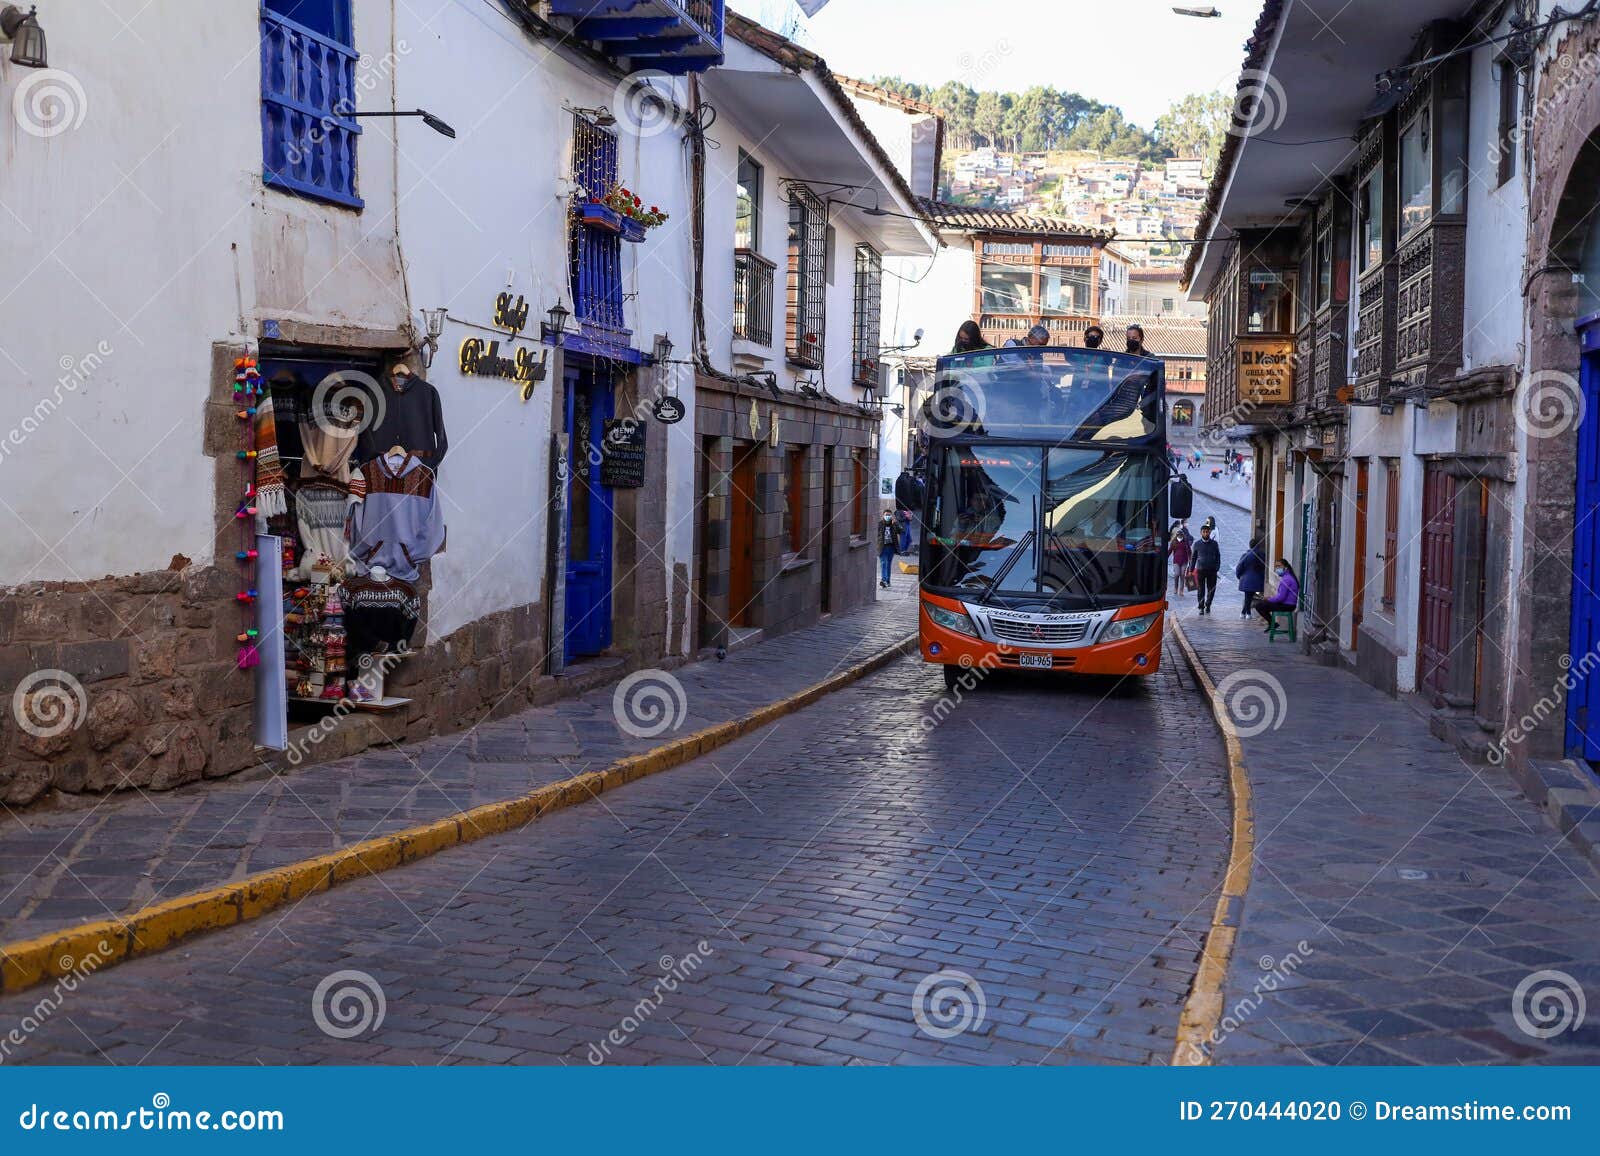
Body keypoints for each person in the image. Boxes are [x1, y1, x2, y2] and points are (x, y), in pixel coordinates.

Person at [1254, 559, 1301, 629]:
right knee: (1263, 604)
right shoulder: (1288, 577)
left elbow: (1281, 598)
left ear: (1286, 567)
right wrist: (1269, 598)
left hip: (1287, 606)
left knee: (1259, 606)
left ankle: (1272, 624)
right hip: (1288, 604)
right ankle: (1272, 624)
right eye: (1276, 567)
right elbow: (1281, 596)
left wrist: (1268, 599)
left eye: (1279, 566)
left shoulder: (1287, 579)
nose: (1277, 568)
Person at [1190, 523, 1221, 614]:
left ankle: (1208, 605)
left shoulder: (1214, 544)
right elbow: (1193, 558)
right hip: (1200, 570)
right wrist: (1191, 570)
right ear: (1201, 533)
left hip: (1212, 570)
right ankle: (1201, 607)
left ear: (1210, 532)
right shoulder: (1197, 544)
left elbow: (1218, 556)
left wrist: (1217, 567)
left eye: (1207, 532)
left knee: (1211, 589)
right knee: (1200, 590)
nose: (1205, 533)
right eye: (1204, 532)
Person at [1235, 537, 1267, 617]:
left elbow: (1239, 568)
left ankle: (1245, 613)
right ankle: (1245, 613)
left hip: (1246, 579)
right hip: (1257, 579)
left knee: (1248, 596)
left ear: (1250, 546)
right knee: (1249, 596)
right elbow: (1264, 567)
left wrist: (1239, 576)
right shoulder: (1262, 555)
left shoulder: (1245, 555)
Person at [1168, 521, 1192, 599]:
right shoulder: (1174, 542)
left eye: (1181, 535)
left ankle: (1181, 590)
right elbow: (1170, 551)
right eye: (1178, 535)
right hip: (1176, 561)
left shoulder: (1186, 542)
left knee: (1182, 575)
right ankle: (1175, 587)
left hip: (1184, 561)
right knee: (1176, 574)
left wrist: (1190, 559)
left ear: (1183, 535)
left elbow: (1189, 551)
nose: (1180, 536)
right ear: (1176, 535)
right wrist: (1165, 557)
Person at [877, 510, 899, 589]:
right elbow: (875, 535)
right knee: (884, 563)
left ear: (891, 516)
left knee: (888, 564)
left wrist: (895, 524)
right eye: (886, 515)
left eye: (889, 515)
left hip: (891, 547)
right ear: (883, 515)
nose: (887, 516)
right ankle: (884, 580)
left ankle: (888, 581)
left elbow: (901, 531)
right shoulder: (879, 524)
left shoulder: (893, 524)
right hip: (882, 547)